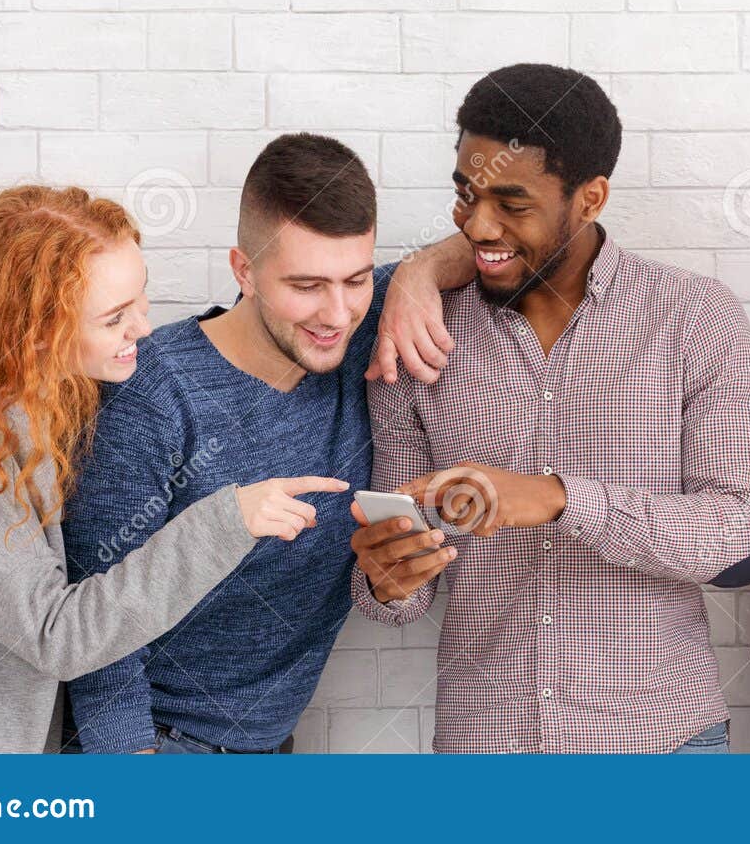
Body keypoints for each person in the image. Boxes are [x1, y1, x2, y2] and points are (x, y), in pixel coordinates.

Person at [0, 185, 346, 753]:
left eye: (141, 301)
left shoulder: (46, 402)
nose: (142, 328)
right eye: (114, 317)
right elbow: (54, 633)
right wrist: (226, 522)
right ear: (36, 330)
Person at [347, 63, 750, 753]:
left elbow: (735, 529)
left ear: (590, 196)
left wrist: (554, 497)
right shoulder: (418, 335)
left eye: (512, 204)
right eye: (466, 194)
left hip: (663, 746)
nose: (478, 225)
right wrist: (387, 576)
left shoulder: (695, 316)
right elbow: (401, 596)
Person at [60, 134, 471, 754]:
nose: (337, 312)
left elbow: (495, 241)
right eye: (306, 285)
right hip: (159, 747)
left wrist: (418, 273)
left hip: (270, 747)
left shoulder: (353, 327)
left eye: (357, 279)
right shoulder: (153, 396)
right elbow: (97, 629)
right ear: (244, 271)